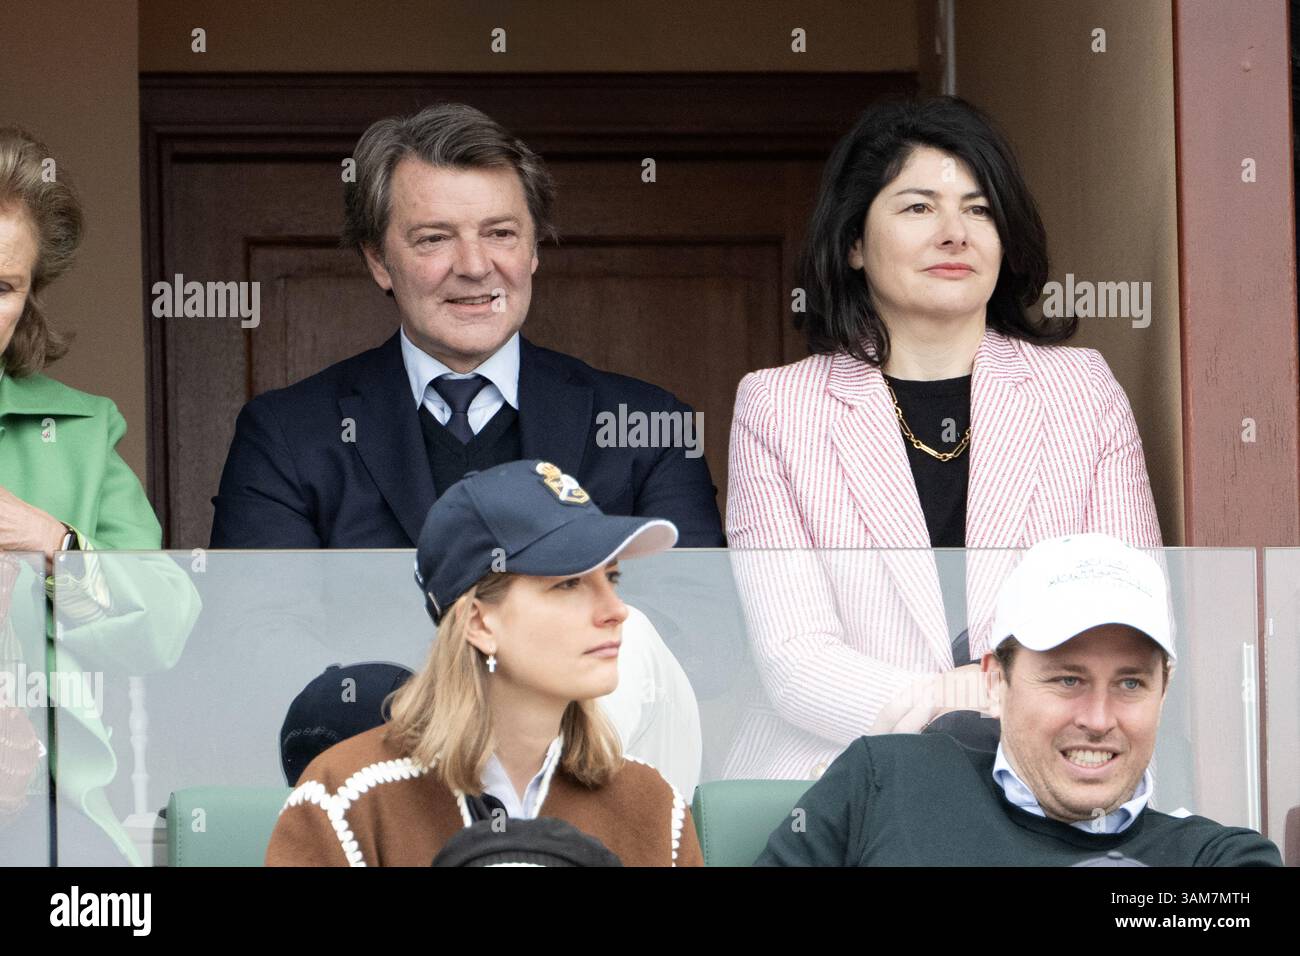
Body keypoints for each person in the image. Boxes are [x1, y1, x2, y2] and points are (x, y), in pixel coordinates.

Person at [724, 95, 1161, 779]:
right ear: (854, 244)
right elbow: (795, 659)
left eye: (979, 209)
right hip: (844, 775)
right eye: (918, 207)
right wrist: (946, 702)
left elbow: (1131, 616)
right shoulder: (779, 407)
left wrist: (1015, 716)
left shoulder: (1082, 390)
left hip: (1052, 771)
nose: (955, 233)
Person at [211, 102, 724, 550]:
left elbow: (689, 622)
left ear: (533, 250)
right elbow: (262, 638)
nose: (475, 266)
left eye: (500, 233)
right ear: (378, 261)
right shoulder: (287, 436)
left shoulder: (648, 427)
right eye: (434, 239)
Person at [265, 459, 703, 866]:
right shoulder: (346, 798)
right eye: (569, 583)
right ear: (478, 622)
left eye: (611, 578)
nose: (615, 610)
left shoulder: (653, 806)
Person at [755, 534, 1281, 866]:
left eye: (1129, 684)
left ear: (1163, 691)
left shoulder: (1215, 861)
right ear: (995, 682)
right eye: (1067, 680)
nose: (1098, 720)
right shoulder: (884, 778)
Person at [0, 127, 199, 864]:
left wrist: (59, 549)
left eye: (2, 288)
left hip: (39, 817)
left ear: (29, 297)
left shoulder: (76, 434)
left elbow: (169, 622)